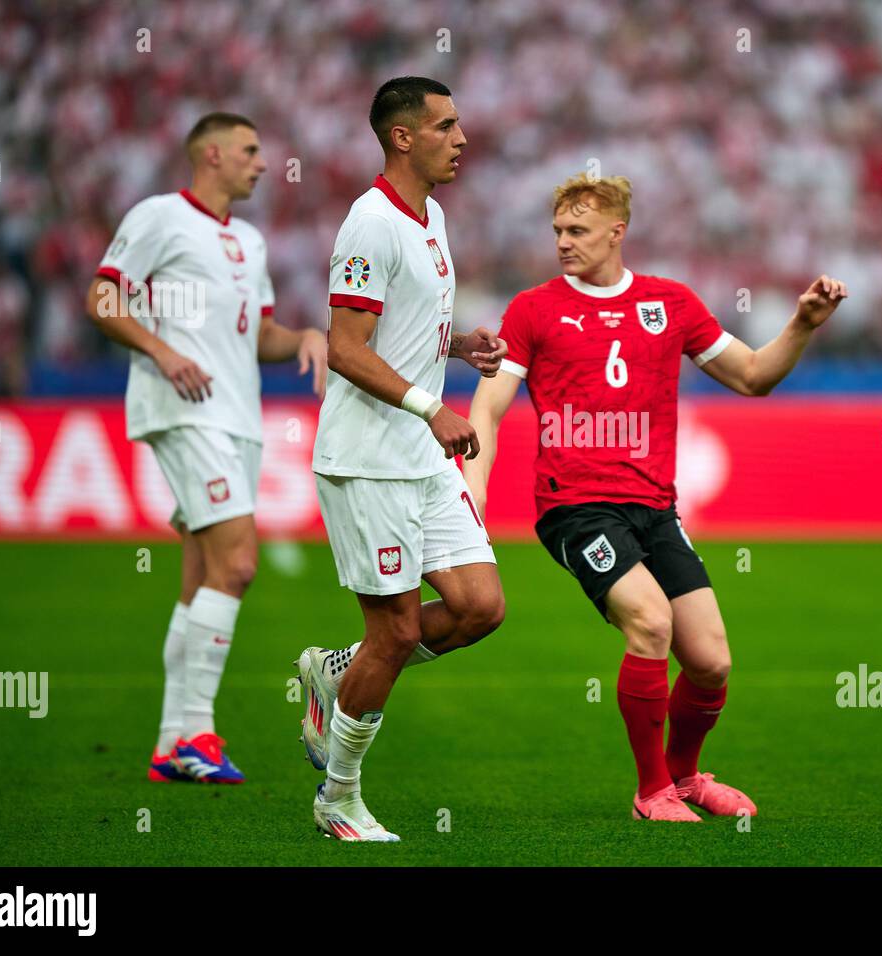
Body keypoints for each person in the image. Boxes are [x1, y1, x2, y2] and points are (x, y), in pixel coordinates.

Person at [463, 173, 846, 821]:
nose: (563, 242)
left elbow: (753, 377)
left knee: (711, 661)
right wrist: (471, 499)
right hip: (575, 507)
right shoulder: (532, 309)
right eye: (558, 230)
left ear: (617, 232)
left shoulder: (669, 302)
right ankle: (650, 793)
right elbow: (488, 406)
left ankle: (687, 778)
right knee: (650, 622)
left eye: (577, 231)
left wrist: (803, 324)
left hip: (653, 508)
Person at [87, 112, 328, 784]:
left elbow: (261, 336)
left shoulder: (248, 241)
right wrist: (163, 351)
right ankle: (198, 730)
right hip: (185, 411)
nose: (261, 163)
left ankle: (171, 746)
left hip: (237, 418)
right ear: (212, 154)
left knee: (200, 581)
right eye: (251, 151)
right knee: (240, 564)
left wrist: (306, 336)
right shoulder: (160, 216)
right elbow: (102, 300)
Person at [300, 77, 507, 842]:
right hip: (368, 458)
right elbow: (347, 349)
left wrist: (461, 343)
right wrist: (432, 406)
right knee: (392, 633)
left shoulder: (433, 216)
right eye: (446, 126)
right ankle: (339, 800)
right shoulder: (369, 223)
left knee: (480, 605)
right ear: (402, 137)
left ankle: (336, 670)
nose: (461, 138)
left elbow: (406, 328)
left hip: (417, 455)